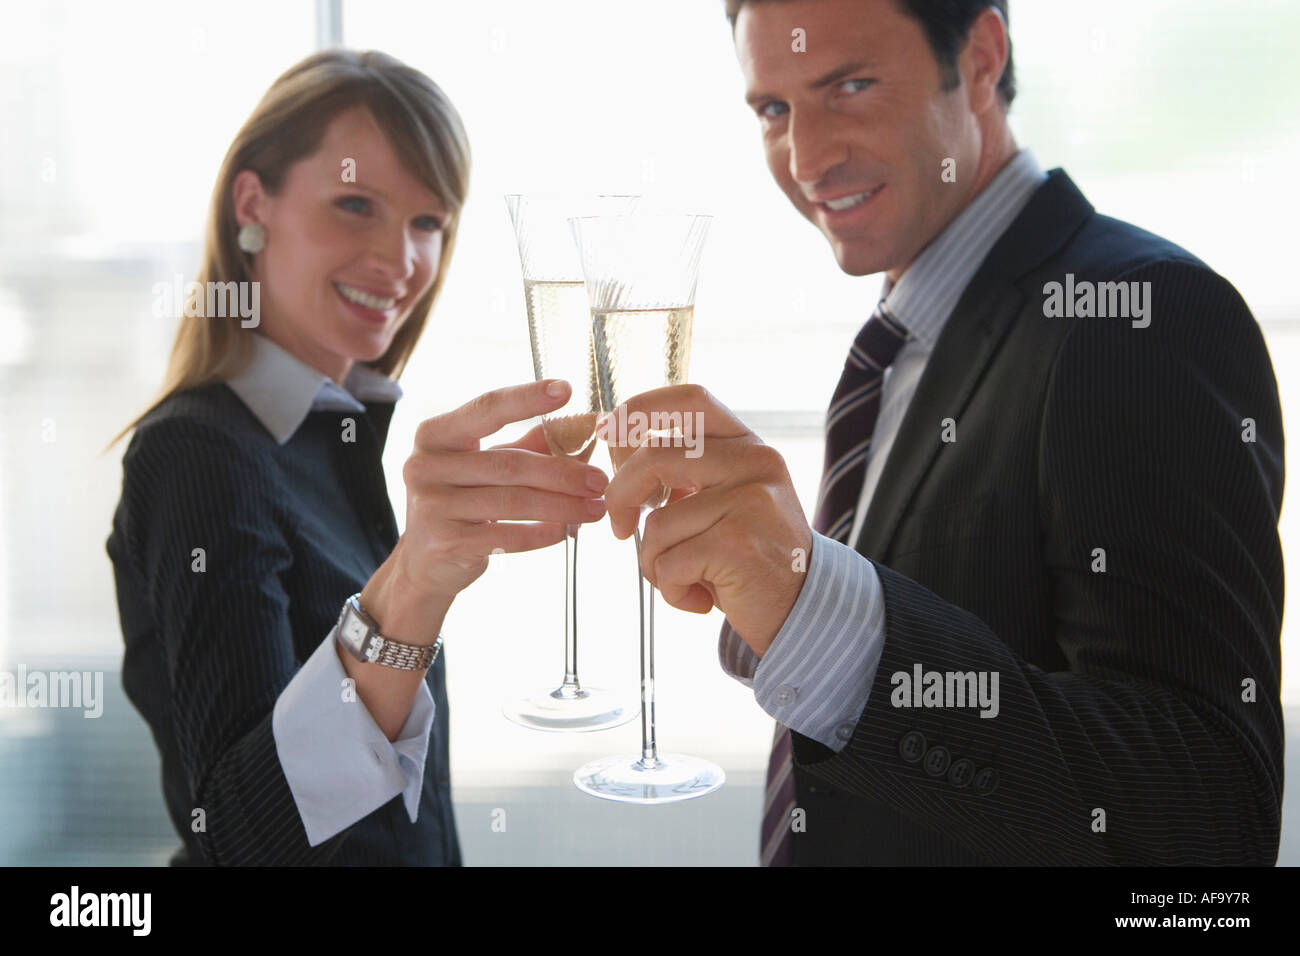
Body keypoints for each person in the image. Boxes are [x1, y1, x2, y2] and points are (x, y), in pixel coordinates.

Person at [600, 0, 1284, 864]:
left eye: (849, 86)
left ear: (983, 55)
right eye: (773, 110)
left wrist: (823, 614)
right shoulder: (908, 342)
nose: (806, 158)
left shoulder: (1139, 318)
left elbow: (1208, 815)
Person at [105, 49, 609, 865]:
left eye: (427, 223)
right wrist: (412, 588)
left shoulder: (337, 438)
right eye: (354, 205)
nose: (400, 260)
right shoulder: (202, 454)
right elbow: (238, 838)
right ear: (252, 203)